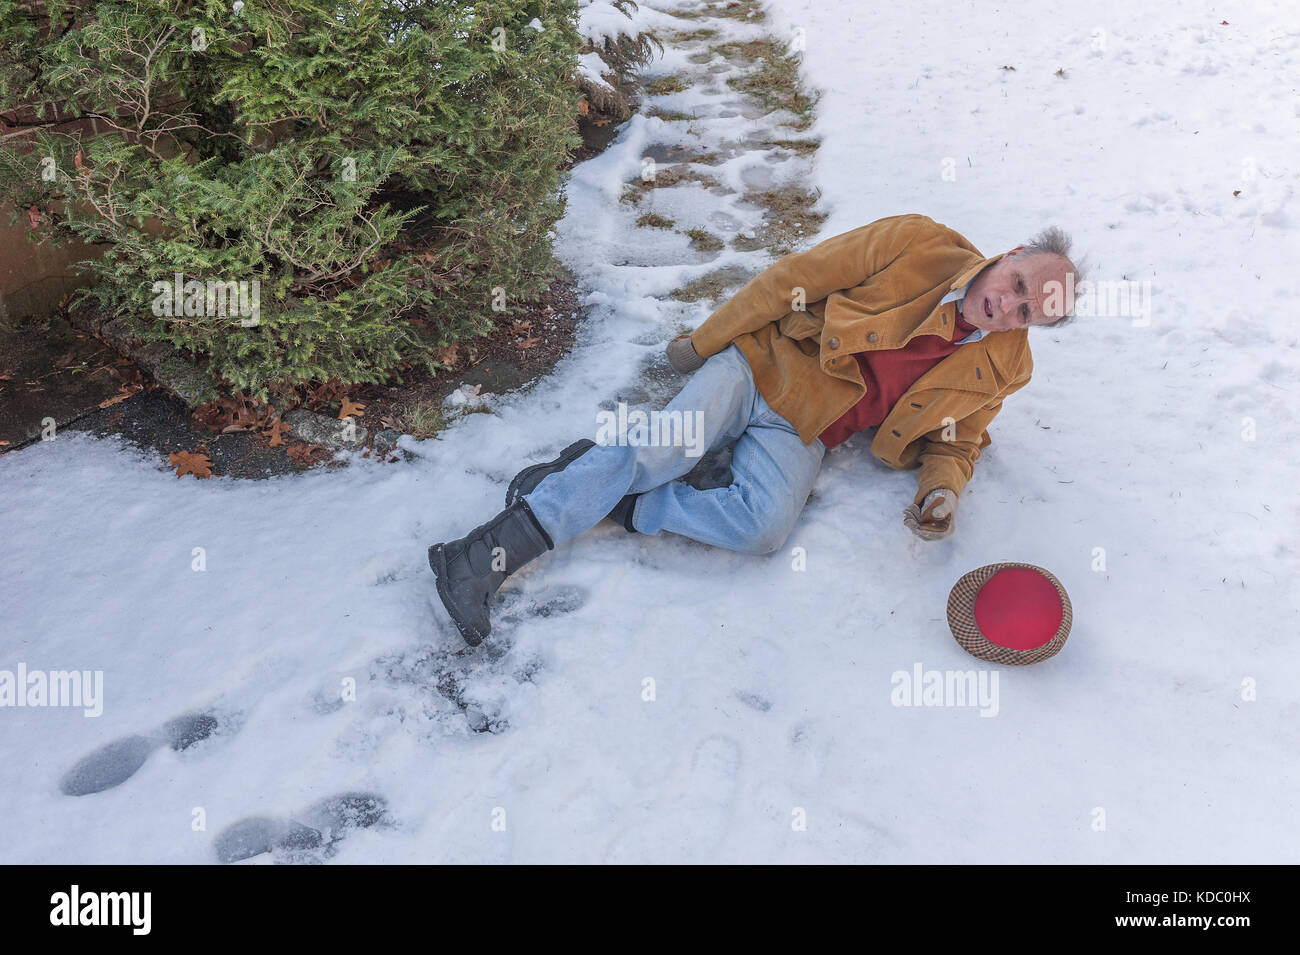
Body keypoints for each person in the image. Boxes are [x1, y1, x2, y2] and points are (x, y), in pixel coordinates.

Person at [428, 213, 1083, 645]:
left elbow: (958, 437)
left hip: (807, 429)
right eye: (1018, 283)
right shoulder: (916, 242)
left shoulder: (1004, 364)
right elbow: (795, 279)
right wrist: (705, 341)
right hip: (762, 363)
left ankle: (604, 492)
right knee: (659, 449)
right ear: (1014, 253)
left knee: (762, 529)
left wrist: (942, 489)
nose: (1009, 305)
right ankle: (476, 559)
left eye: (1026, 312)